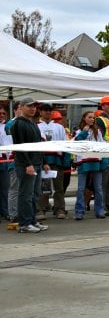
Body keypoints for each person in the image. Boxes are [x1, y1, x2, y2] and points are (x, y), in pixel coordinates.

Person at [9, 97, 48, 233]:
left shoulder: (33, 123)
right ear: (21, 107)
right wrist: (28, 164)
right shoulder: (18, 124)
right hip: (26, 164)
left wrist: (44, 162)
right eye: (29, 106)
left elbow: (38, 145)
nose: (33, 109)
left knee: (34, 194)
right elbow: (19, 147)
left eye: (34, 106)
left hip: (36, 163)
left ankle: (32, 220)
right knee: (25, 195)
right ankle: (24, 223)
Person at [73, 111, 109, 220]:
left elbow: (102, 146)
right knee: (81, 188)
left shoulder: (97, 131)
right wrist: (84, 132)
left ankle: (99, 210)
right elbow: (75, 143)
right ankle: (79, 211)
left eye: (93, 118)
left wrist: (104, 160)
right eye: (90, 117)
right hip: (83, 162)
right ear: (84, 118)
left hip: (96, 161)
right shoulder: (78, 131)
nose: (92, 119)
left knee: (98, 188)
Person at [36, 104, 70, 219]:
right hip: (41, 160)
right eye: (45, 110)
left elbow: (64, 144)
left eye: (49, 110)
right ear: (40, 112)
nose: (47, 112)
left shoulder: (59, 127)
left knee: (58, 187)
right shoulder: (36, 126)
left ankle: (59, 208)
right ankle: (40, 209)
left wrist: (66, 161)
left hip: (56, 160)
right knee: (42, 187)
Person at [0, 105, 11, 220]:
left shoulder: (8, 127)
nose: (2, 115)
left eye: (4, 113)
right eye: (0, 113)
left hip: (4, 160)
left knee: (5, 188)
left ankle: (5, 211)